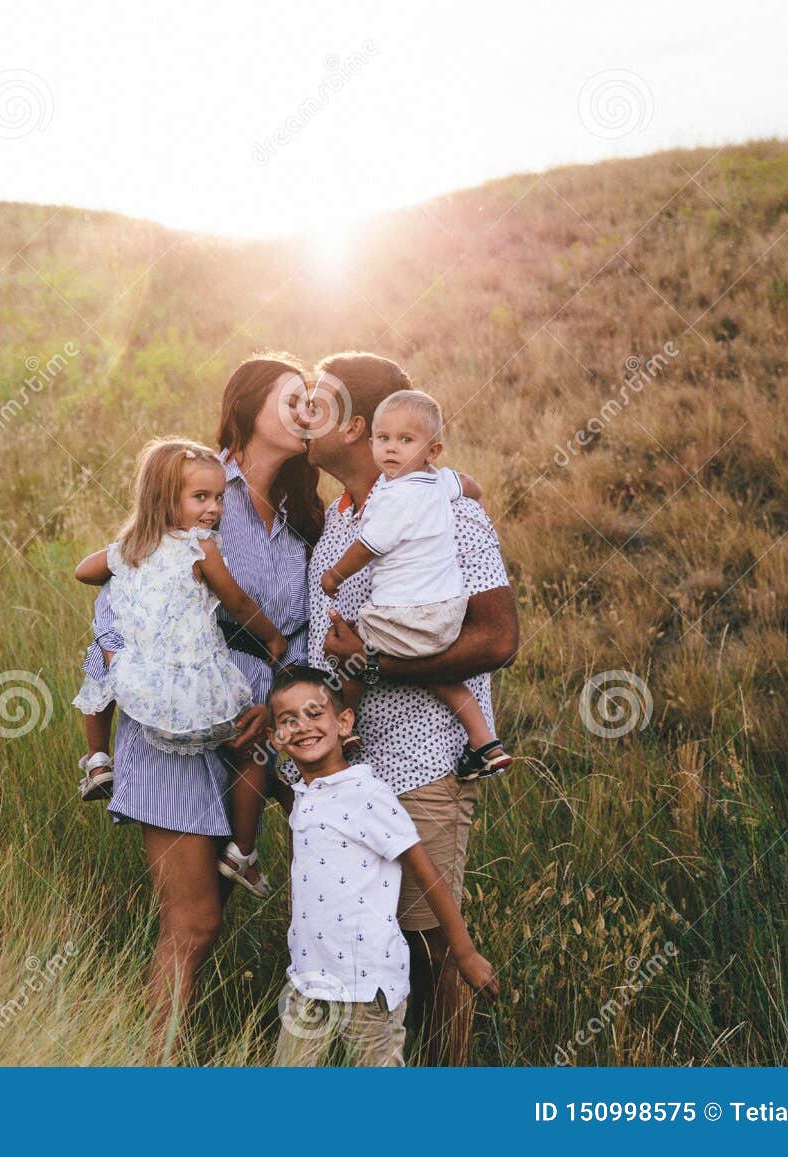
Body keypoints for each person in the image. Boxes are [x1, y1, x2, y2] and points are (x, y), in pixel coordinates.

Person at [83, 354, 321, 1040]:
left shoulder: (306, 513)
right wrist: (107, 698)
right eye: (293, 398)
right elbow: (120, 598)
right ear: (247, 408)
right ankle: (157, 1066)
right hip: (178, 722)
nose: (308, 411)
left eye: (315, 402)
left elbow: (299, 629)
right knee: (194, 920)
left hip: (265, 718)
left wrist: (281, 704)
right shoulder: (196, 488)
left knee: (337, 870)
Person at [303, 351, 519, 1066]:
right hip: (346, 772)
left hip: (424, 761)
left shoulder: (449, 513)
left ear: (359, 427)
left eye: (321, 401)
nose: (305, 412)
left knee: (432, 942)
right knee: (366, 942)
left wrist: (375, 664)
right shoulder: (338, 522)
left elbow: (498, 635)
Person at [266, 665, 498, 1066]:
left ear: (344, 722)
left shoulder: (368, 794)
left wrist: (465, 954)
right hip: (308, 981)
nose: (302, 726)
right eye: (289, 720)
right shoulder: (303, 796)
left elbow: (425, 872)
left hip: (367, 986)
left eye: (315, 713)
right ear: (277, 738)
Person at [318, 388, 512, 780]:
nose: (391, 448)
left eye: (405, 441)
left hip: (404, 617)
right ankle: (484, 741)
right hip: (444, 616)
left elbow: (370, 545)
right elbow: (470, 485)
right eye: (385, 439)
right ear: (371, 441)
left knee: (352, 650)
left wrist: (335, 575)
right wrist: (470, 497)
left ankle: (347, 727)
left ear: (432, 450)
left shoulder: (392, 497)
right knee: (439, 673)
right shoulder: (438, 484)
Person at [72, 437, 286, 759]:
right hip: (183, 663)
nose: (214, 508)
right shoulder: (200, 547)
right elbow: (237, 602)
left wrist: (122, 564)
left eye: (219, 497)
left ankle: (98, 757)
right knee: (223, 719)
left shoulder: (137, 547)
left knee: (101, 656)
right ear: (164, 499)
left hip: (141, 666)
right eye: (200, 497)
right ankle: (219, 744)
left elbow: (84, 571)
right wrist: (273, 637)